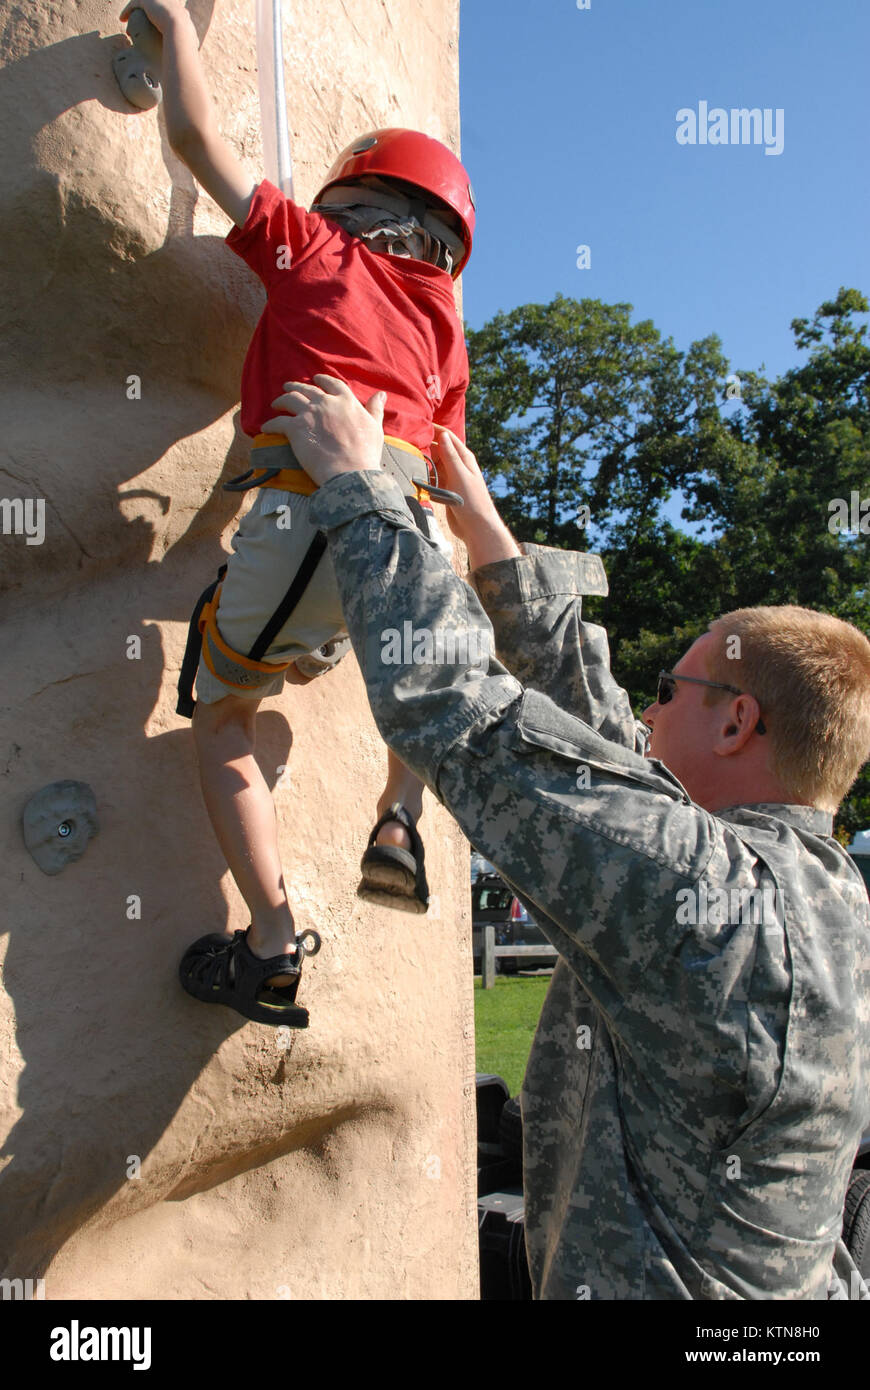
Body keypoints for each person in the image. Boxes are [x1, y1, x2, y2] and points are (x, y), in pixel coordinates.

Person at [260, 373, 870, 1299]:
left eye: (670, 689)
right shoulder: (823, 895)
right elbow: (613, 763)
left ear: (739, 724)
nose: (647, 713)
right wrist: (496, 553)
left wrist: (359, 493)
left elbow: (469, 722)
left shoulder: (703, 893)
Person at [118, 2, 476, 1025]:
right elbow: (451, 468)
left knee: (224, 714)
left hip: (307, 516)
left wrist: (175, 33)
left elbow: (193, 139)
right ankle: (400, 814)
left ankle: (271, 941)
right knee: (412, 672)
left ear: (356, 192)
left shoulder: (314, 248)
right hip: (403, 525)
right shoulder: (444, 329)